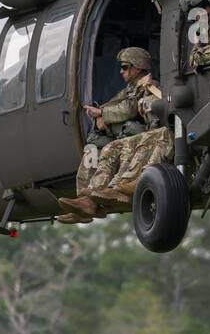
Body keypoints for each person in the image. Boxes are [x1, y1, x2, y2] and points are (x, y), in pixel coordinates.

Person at [57, 46, 160, 223]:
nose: (121, 71)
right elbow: (115, 103)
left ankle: (90, 201)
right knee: (92, 150)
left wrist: (102, 115)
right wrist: (100, 112)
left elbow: (130, 108)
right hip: (125, 138)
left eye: (125, 67)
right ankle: (84, 202)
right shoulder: (130, 89)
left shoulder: (149, 86)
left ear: (137, 67)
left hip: (142, 139)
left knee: (110, 149)